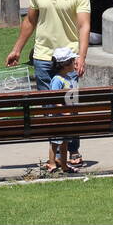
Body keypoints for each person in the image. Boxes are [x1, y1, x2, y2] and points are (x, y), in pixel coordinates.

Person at [5, 0, 90, 170]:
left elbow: (84, 26)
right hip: (43, 57)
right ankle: (54, 158)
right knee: (49, 109)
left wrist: (81, 56)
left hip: (68, 60)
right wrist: (17, 49)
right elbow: (30, 22)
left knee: (70, 107)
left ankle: (73, 152)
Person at [47, 46, 79, 174]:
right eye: (72, 60)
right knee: (55, 141)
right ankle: (52, 163)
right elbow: (54, 98)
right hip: (58, 116)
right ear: (66, 64)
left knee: (65, 141)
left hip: (66, 116)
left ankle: (64, 164)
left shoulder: (68, 78)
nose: (74, 63)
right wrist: (63, 111)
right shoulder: (57, 80)